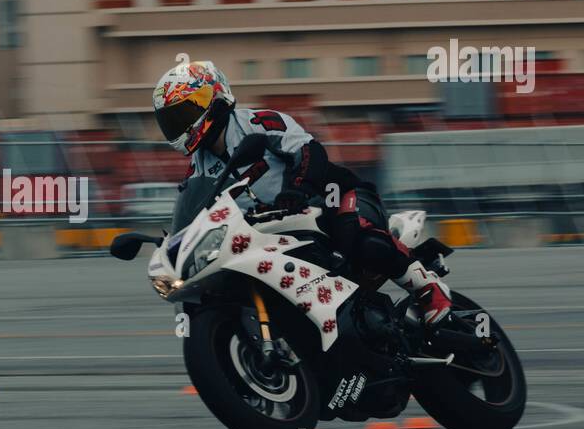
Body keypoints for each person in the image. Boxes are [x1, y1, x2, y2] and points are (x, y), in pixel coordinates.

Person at [151, 60, 452, 325]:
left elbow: (310, 151)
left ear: (213, 98)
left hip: (329, 193)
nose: (181, 125)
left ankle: (427, 288)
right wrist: (175, 242)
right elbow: (196, 207)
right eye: (173, 120)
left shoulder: (258, 122)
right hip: (276, 226)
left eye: (185, 113)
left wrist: (297, 189)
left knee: (352, 233)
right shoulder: (198, 166)